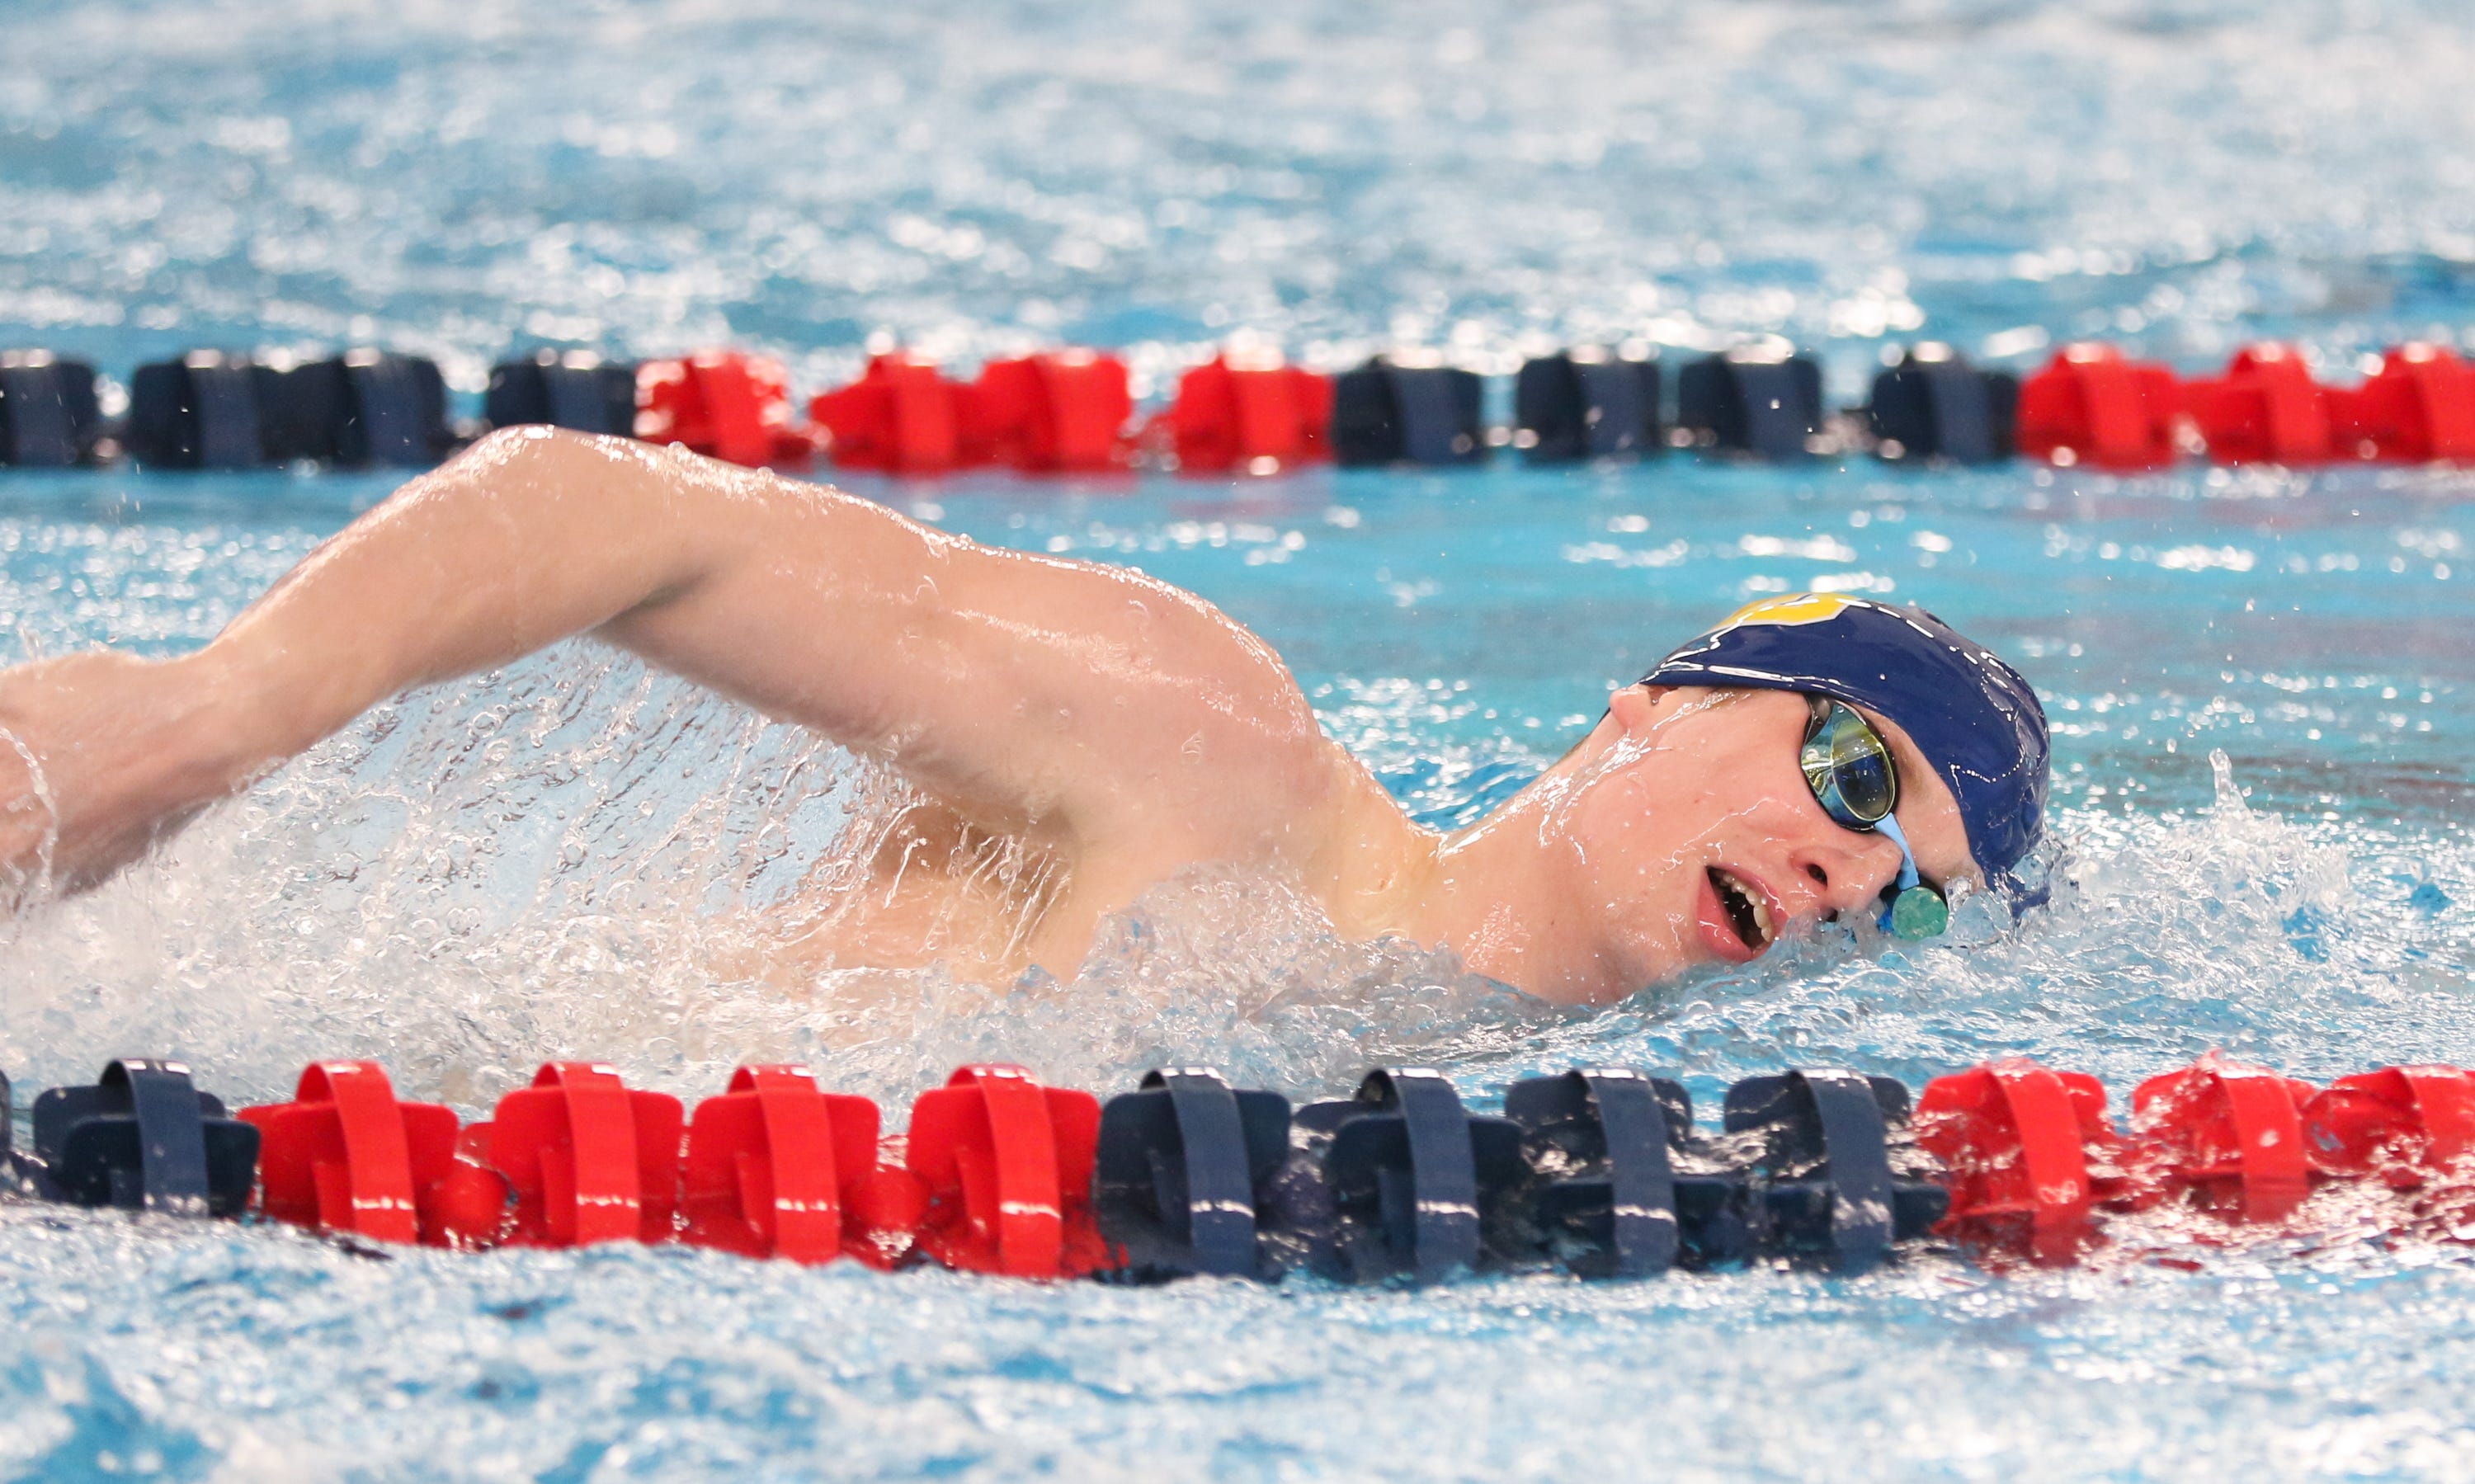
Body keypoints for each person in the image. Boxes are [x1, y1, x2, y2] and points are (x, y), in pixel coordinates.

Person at [0, 426, 2048, 1005]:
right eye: (1853, 769)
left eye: (1911, 890)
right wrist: (221, 712)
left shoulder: (1469, 1115)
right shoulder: (1223, 768)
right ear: (1654, 705)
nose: (1849, 865)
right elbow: (619, 510)